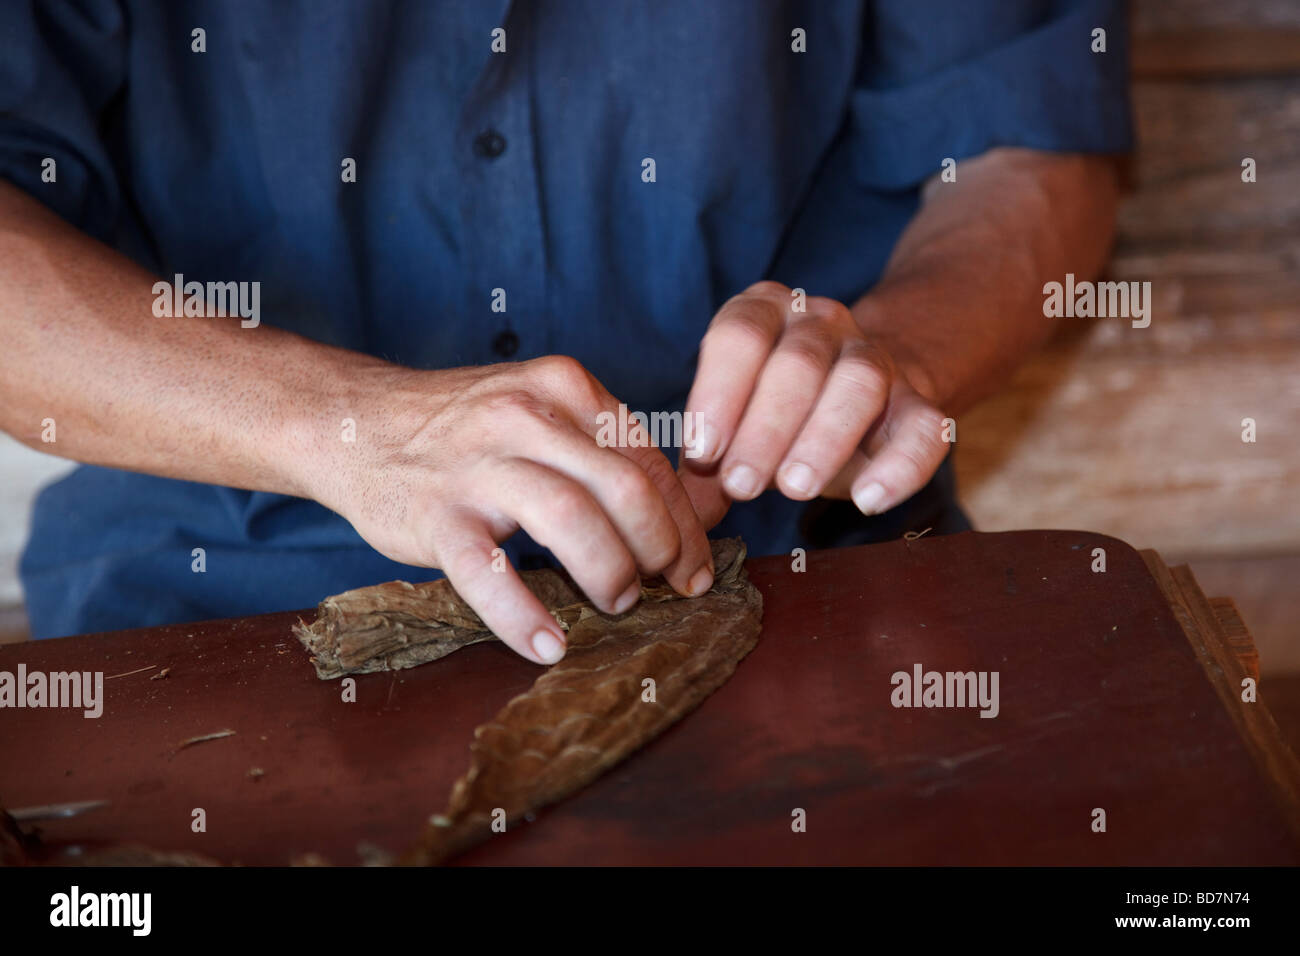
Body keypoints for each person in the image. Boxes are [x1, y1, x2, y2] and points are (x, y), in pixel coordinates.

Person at [0, 1, 1131, 663]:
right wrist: (353, 432)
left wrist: (898, 343)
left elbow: (1023, 145)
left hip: (792, 563)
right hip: (226, 591)